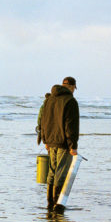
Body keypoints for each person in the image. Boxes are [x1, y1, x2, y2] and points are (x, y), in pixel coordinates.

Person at [39, 77, 79, 212]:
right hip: (63, 142)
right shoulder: (70, 101)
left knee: (52, 172)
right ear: (73, 87)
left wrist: (44, 140)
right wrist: (73, 145)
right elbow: (71, 126)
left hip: (50, 141)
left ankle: (50, 204)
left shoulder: (49, 99)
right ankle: (58, 205)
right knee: (61, 173)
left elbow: (43, 120)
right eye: (74, 88)